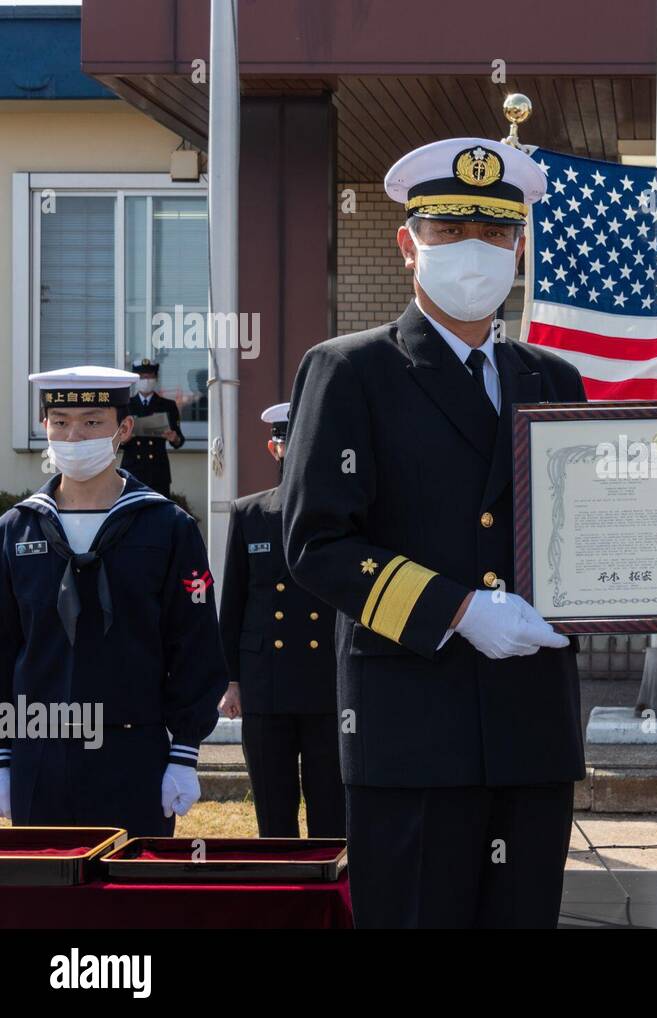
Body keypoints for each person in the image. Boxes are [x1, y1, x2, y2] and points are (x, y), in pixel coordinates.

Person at [280, 137, 586, 928]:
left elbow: (585, 529)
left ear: (520, 248)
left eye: (495, 234)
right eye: (450, 232)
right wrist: (458, 610)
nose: (474, 253)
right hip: (412, 729)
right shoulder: (350, 371)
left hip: (530, 725)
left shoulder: (553, 379)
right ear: (408, 244)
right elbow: (317, 542)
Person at [0, 366, 225, 835]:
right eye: (59, 421)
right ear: (44, 427)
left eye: (91, 421)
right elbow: (4, 647)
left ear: (123, 429)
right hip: (39, 752)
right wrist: (4, 756)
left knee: (132, 903)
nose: (73, 435)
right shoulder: (16, 530)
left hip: (133, 753)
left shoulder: (167, 528)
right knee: (44, 902)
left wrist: (184, 751)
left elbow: (195, 645)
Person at [217, 402, 345, 838]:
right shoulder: (249, 513)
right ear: (275, 449)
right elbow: (232, 604)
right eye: (289, 443)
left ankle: (333, 898)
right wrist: (231, 681)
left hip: (326, 680)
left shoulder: (342, 517)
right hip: (265, 682)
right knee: (274, 807)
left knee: (331, 807)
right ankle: (282, 896)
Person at [120, 357, 185, 498]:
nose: (146, 381)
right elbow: (116, 441)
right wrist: (124, 439)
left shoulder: (167, 405)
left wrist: (174, 438)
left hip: (157, 470)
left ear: (156, 378)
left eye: (150, 377)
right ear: (136, 381)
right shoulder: (126, 405)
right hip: (132, 469)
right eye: (142, 377)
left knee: (158, 514)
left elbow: (179, 441)